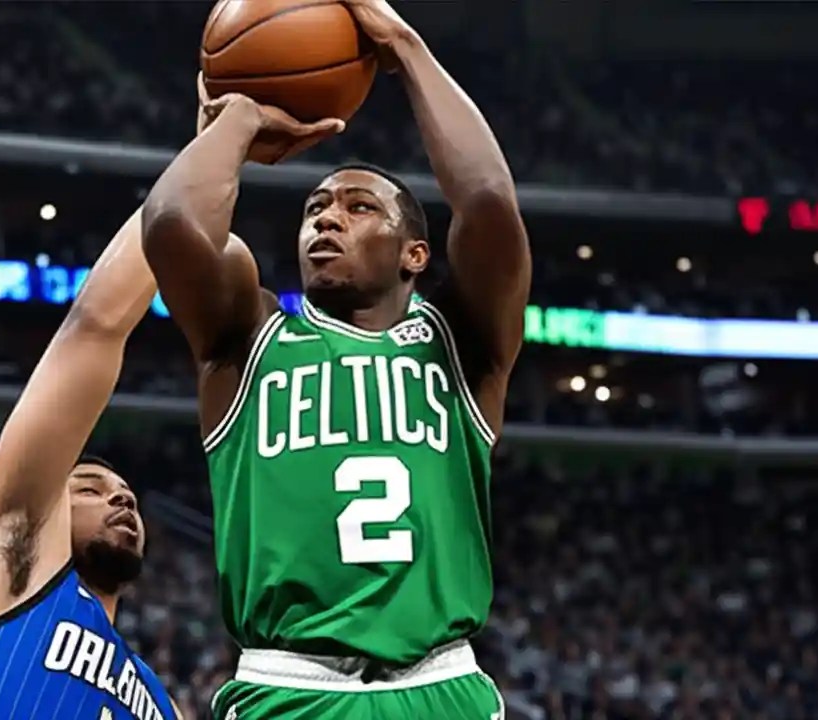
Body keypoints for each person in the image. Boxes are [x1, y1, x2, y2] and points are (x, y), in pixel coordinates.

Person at [141, 1, 531, 718]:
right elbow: (170, 227)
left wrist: (404, 44)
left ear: (416, 254)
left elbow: (489, 205)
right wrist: (236, 120)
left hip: (441, 687)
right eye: (316, 206)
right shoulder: (247, 338)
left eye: (358, 208)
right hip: (289, 687)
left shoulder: (460, 348)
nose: (326, 217)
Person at [0, 207, 181, 720]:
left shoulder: (161, 701)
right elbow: (97, 325)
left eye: (126, 494)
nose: (120, 497)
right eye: (89, 489)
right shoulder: (9, 566)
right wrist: (199, 175)